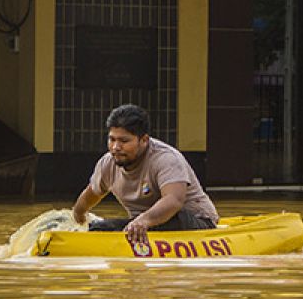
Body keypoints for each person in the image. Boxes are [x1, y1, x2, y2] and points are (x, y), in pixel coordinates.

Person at [72, 104, 218, 246]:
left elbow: (174, 200)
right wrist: (77, 217)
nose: (116, 147)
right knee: (99, 228)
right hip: (143, 223)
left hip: (194, 221)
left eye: (124, 141)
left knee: (175, 217)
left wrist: (143, 221)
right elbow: (91, 194)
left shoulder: (166, 158)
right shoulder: (107, 163)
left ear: (144, 140)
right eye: (112, 139)